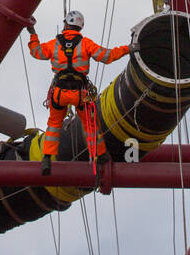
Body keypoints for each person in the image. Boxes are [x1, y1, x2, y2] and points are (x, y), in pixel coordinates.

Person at [27, 10, 131, 175]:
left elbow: (36, 52)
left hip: (59, 92)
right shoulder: (86, 43)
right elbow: (108, 56)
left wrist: (32, 33)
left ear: (66, 24)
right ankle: (101, 155)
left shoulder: (54, 44)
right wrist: (129, 48)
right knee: (90, 125)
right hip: (80, 93)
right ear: (80, 27)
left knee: (54, 125)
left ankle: (47, 158)